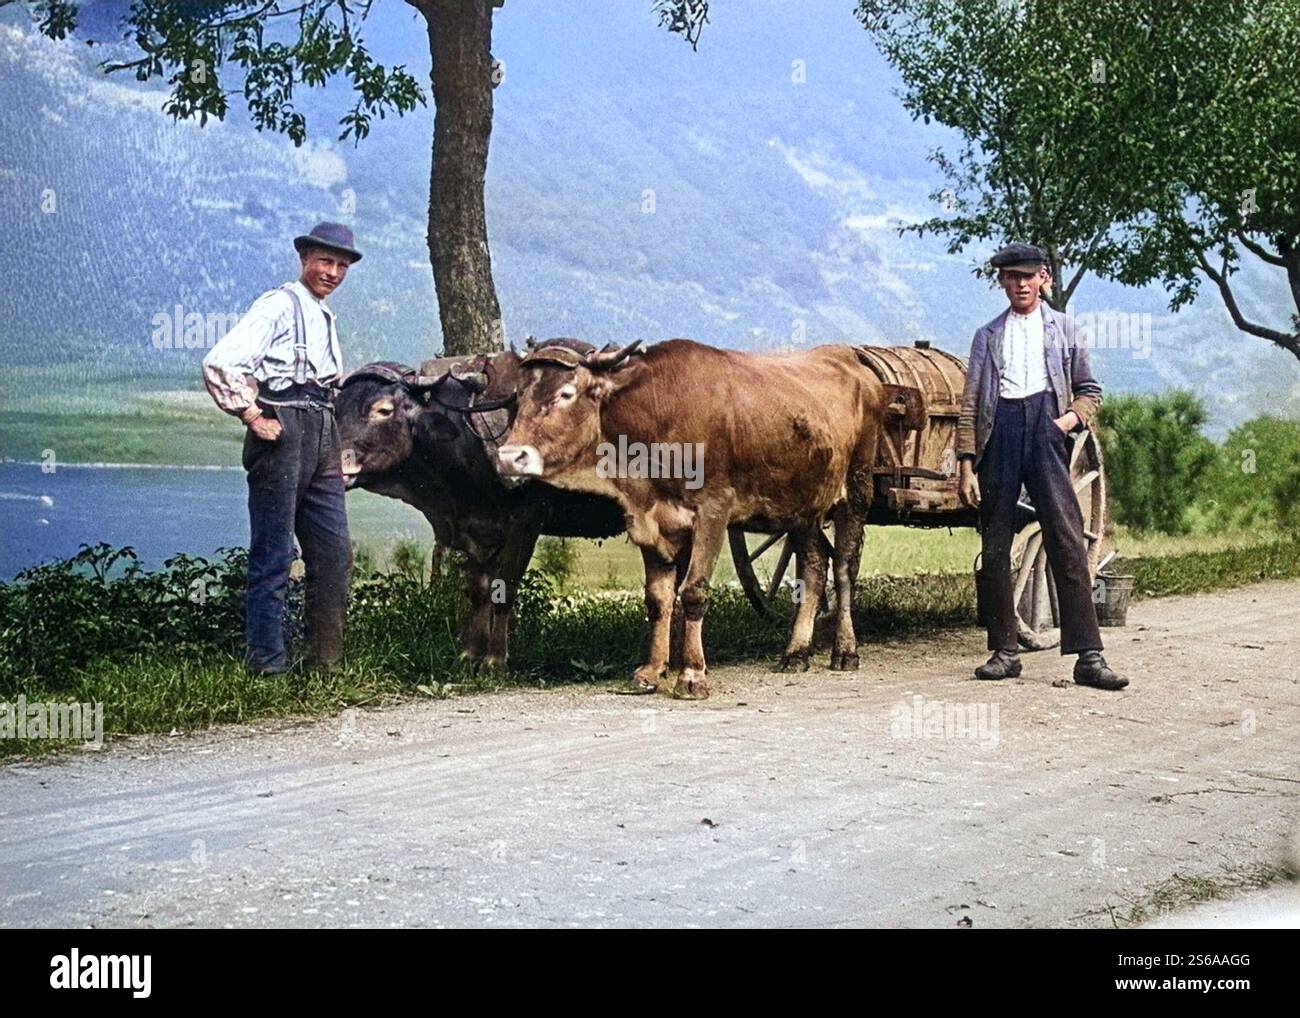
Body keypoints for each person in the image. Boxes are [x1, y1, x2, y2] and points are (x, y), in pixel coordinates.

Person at [956, 243, 1127, 691]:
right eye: (1011, 278)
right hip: (1001, 435)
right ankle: (1004, 652)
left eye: (1027, 277)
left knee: (1068, 541)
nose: (1020, 285)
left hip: (1047, 432)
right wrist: (967, 463)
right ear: (1002, 283)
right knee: (994, 548)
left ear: (1044, 278)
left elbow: (1089, 390)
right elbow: (971, 405)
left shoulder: (1065, 329)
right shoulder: (987, 335)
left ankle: (1089, 657)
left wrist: (1064, 422)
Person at [201, 222, 360, 674]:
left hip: (322, 431)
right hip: (283, 428)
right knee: (274, 556)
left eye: (342, 265)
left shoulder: (323, 314)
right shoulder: (277, 305)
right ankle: (267, 669)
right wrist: (252, 416)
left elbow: (325, 383)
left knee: (333, 554)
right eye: (325, 261)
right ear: (305, 259)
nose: (333, 272)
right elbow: (221, 362)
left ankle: (324, 668)